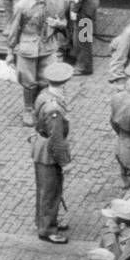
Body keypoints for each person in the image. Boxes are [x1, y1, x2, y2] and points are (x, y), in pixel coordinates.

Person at [6, 0, 70, 125]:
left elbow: (64, 23)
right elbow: (13, 30)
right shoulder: (22, 6)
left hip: (48, 46)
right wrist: (9, 52)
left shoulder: (53, 1)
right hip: (27, 48)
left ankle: (42, 106)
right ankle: (28, 110)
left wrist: (58, 24)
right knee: (28, 82)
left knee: (46, 79)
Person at [30, 59, 73, 243]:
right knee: (50, 190)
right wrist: (65, 162)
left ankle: (45, 220)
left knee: (46, 189)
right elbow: (56, 139)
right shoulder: (54, 108)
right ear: (64, 83)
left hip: (41, 146)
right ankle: (47, 229)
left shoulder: (44, 94)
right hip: (49, 153)